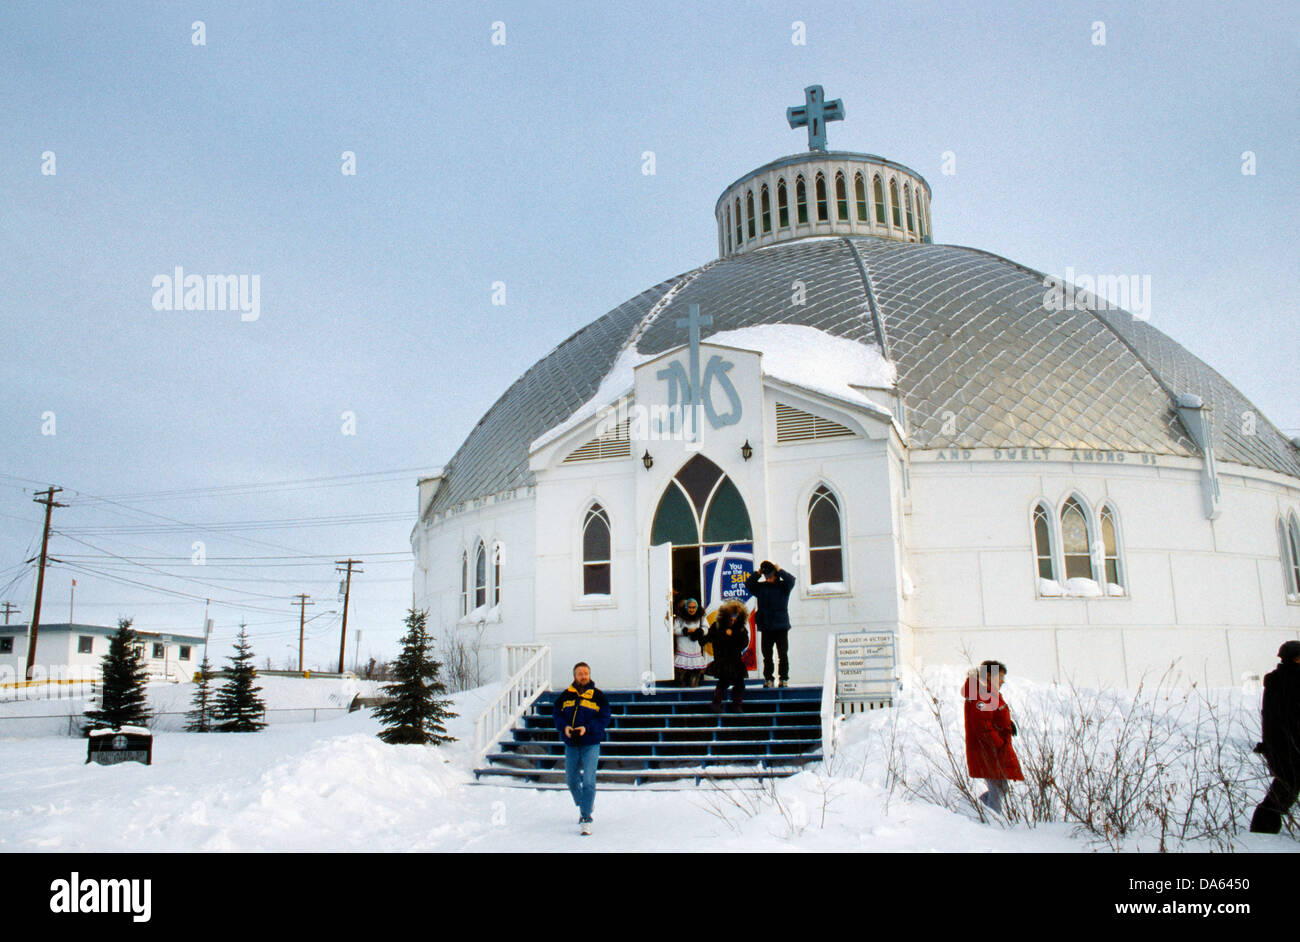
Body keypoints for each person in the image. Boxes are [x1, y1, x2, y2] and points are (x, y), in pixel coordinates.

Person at [551, 662, 611, 835]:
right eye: (579, 673)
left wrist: (587, 728)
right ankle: (586, 803)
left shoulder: (598, 696)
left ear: (589, 675)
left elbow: (605, 717)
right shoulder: (565, 695)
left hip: (590, 743)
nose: (583, 676)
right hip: (571, 744)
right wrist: (565, 727)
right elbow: (557, 714)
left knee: (589, 781)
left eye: (586, 673)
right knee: (571, 780)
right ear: (574, 676)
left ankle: (586, 817)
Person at [1250, 640, 1300, 834]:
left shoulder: (1278, 680)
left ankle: (1263, 828)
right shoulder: (1291, 681)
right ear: (1294, 659)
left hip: (1281, 746)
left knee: (1286, 788)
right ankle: (1262, 831)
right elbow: (1288, 717)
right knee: (1286, 788)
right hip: (1289, 747)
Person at [962, 659, 1023, 816]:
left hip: (993, 750)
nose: (1003, 681)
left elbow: (989, 715)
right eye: (1001, 677)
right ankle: (992, 822)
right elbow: (982, 724)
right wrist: (998, 743)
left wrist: (1007, 724)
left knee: (1001, 787)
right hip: (990, 751)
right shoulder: (982, 693)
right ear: (989, 675)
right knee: (998, 789)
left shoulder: (985, 692)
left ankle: (973, 810)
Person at [744, 560, 796, 687]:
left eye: (770, 577)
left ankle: (783, 679)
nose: (767, 579)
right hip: (766, 626)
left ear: (775, 575)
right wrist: (758, 573)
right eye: (766, 577)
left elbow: (791, 580)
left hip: (780, 626)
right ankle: (769, 679)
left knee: (782, 654)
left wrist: (780, 570)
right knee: (767, 656)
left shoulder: (784, 586)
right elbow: (748, 584)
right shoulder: (761, 588)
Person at [707, 599, 750, 713]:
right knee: (723, 682)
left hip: (735, 660)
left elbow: (744, 643)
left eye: (735, 615)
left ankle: (737, 705)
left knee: (740, 684)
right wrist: (724, 635)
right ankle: (716, 704)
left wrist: (734, 635)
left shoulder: (741, 628)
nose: (733, 618)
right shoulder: (717, 626)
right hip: (723, 659)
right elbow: (711, 638)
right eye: (730, 615)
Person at [672, 598, 708, 687]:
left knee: (695, 668)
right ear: (686, 607)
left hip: (694, 644)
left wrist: (699, 631)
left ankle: (694, 683)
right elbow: (674, 630)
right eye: (689, 607)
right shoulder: (680, 617)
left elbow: (706, 628)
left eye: (693, 607)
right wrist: (686, 631)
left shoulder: (700, 617)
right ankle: (681, 684)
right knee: (681, 668)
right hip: (683, 644)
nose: (691, 609)